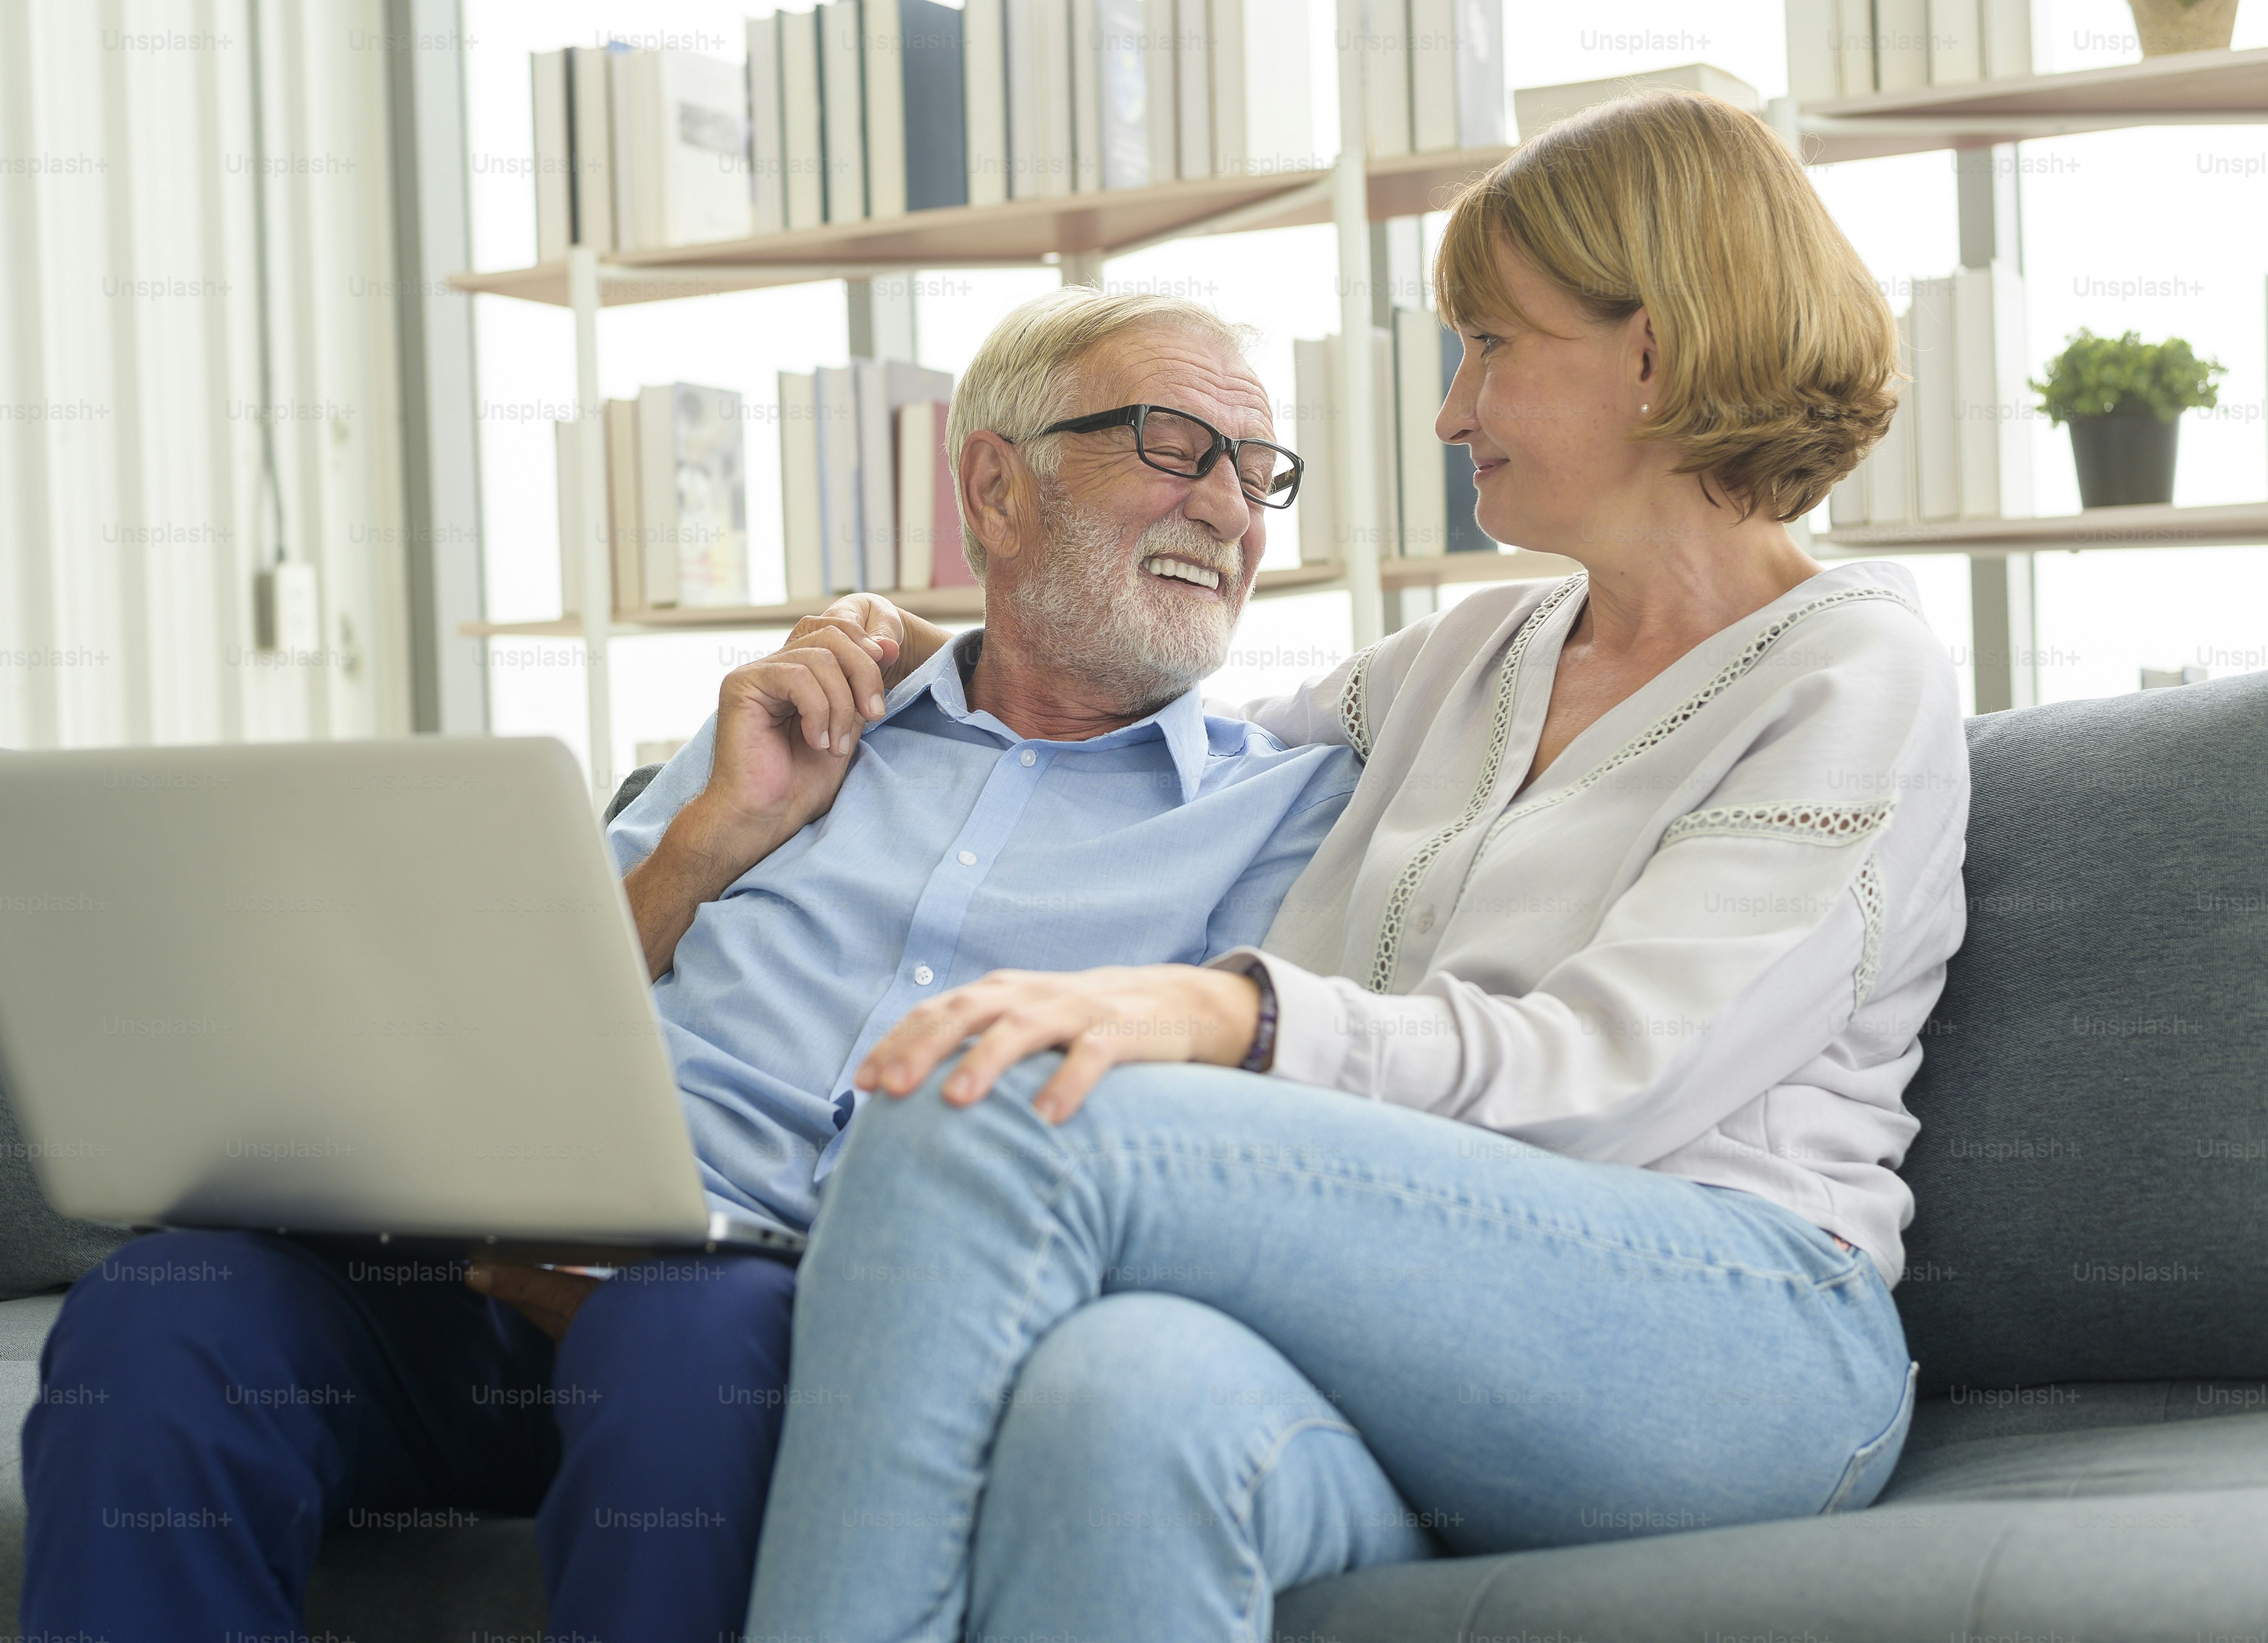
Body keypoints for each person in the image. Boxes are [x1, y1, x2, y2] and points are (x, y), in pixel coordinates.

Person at [743, 89, 1968, 1642]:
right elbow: (1150, 729)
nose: (1452, 412)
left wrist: (1232, 1013)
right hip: (1432, 1315)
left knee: (980, 1109)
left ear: (1651, 356)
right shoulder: (1472, 654)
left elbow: (1608, 1071)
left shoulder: (1850, 675)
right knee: (1116, 1400)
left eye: (1490, 345)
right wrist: (913, 657)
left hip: (1736, 1336)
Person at [15, 289, 1360, 1642]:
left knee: (676, 1341)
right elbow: (495, 1049)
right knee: (162, 1319)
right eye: (1174, 444)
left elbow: (1202, 1166)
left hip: (767, 1322)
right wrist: (708, 839)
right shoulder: (791, 725)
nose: (1229, 509)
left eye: (1258, 471)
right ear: (995, 489)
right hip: (492, 1277)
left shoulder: (1280, 813)